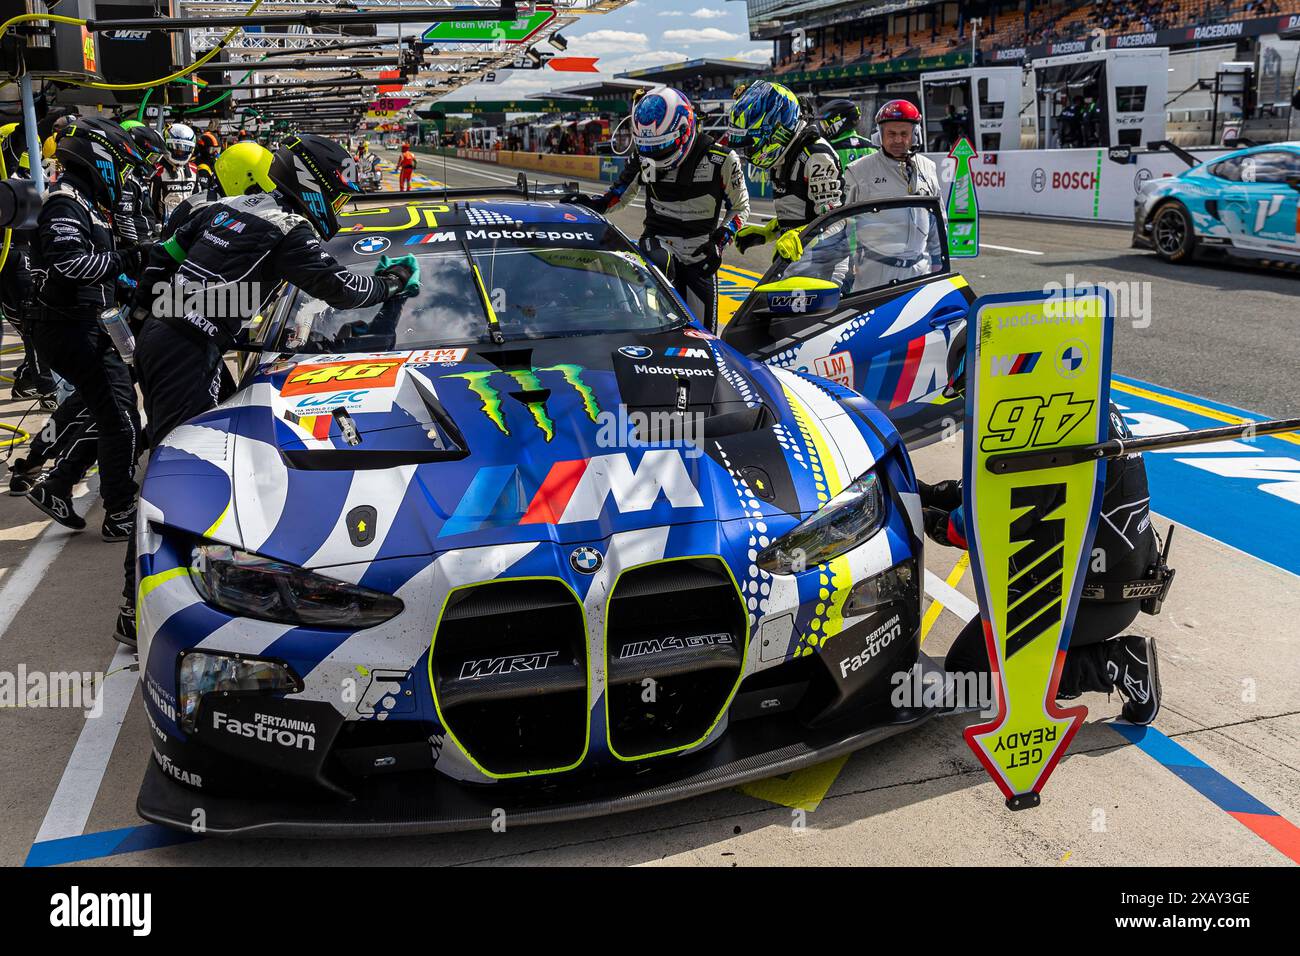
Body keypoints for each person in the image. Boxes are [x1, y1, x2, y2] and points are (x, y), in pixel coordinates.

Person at [120, 133, 421, 646]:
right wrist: (391, 284)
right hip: (186, 348)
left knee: (207, 454)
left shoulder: (225, 205)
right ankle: (136, 605)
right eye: (338, 191)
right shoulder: (289, 228)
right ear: (313, 183)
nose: (340, 203)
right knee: (180, 472)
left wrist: (147, 318)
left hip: (170, 338)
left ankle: (206, 570)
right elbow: (342, 291)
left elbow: (158, 258)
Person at [925, 327, 1167, 725]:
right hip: (1099, 581)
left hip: (1089, 598)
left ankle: (1117, 664)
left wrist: (931, 521)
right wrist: (934, 492)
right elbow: (996, 489)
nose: (971, 406)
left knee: (970, 674)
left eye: (970, 392)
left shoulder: (1049, 429)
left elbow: (988, 524)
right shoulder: (1070, 402)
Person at [25, 119, 144, 552]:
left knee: (112, 411)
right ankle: (119, 512)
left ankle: (57, 484)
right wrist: (130, 258)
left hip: (89, 323)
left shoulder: (87, 201)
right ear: (101, 160)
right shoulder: (65, 202)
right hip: (70, 326)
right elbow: (70, 265)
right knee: (122, 418)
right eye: (123, 167)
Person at [574, 87, 749, 334]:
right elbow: (618, 196)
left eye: (662, 145)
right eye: (648, 146)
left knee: (704, 335)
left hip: (701, 253)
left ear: (685, 130)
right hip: (657, 242)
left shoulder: (721, 159)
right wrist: (590, 205)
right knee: (659, 265)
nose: (654, 154)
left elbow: (740, 206)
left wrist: (721, 240)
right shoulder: (643, 157)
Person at [729, 81, 843, 262]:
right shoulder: (786, 153)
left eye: (752, 144)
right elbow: (803, 215)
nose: (748, 152)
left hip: (824, 263)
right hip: (795, 258)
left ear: (777, 129)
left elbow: (835, 220)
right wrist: (769, 232)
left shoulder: (816, 156)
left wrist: (798, 236)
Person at [150, 122, 199, 225]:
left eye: (185, 148)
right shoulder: (157, 170)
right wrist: (155, 223)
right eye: (177, 147)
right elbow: (151, 202)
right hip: (164, 225)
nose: (180, 151)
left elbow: (197, 199)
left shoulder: (194, 169)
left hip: (188, 224)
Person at [820, 98, 875, 167]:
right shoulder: (871, 146)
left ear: (837, 121)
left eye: (825, 125)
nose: (823, 129)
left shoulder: (826, 148)